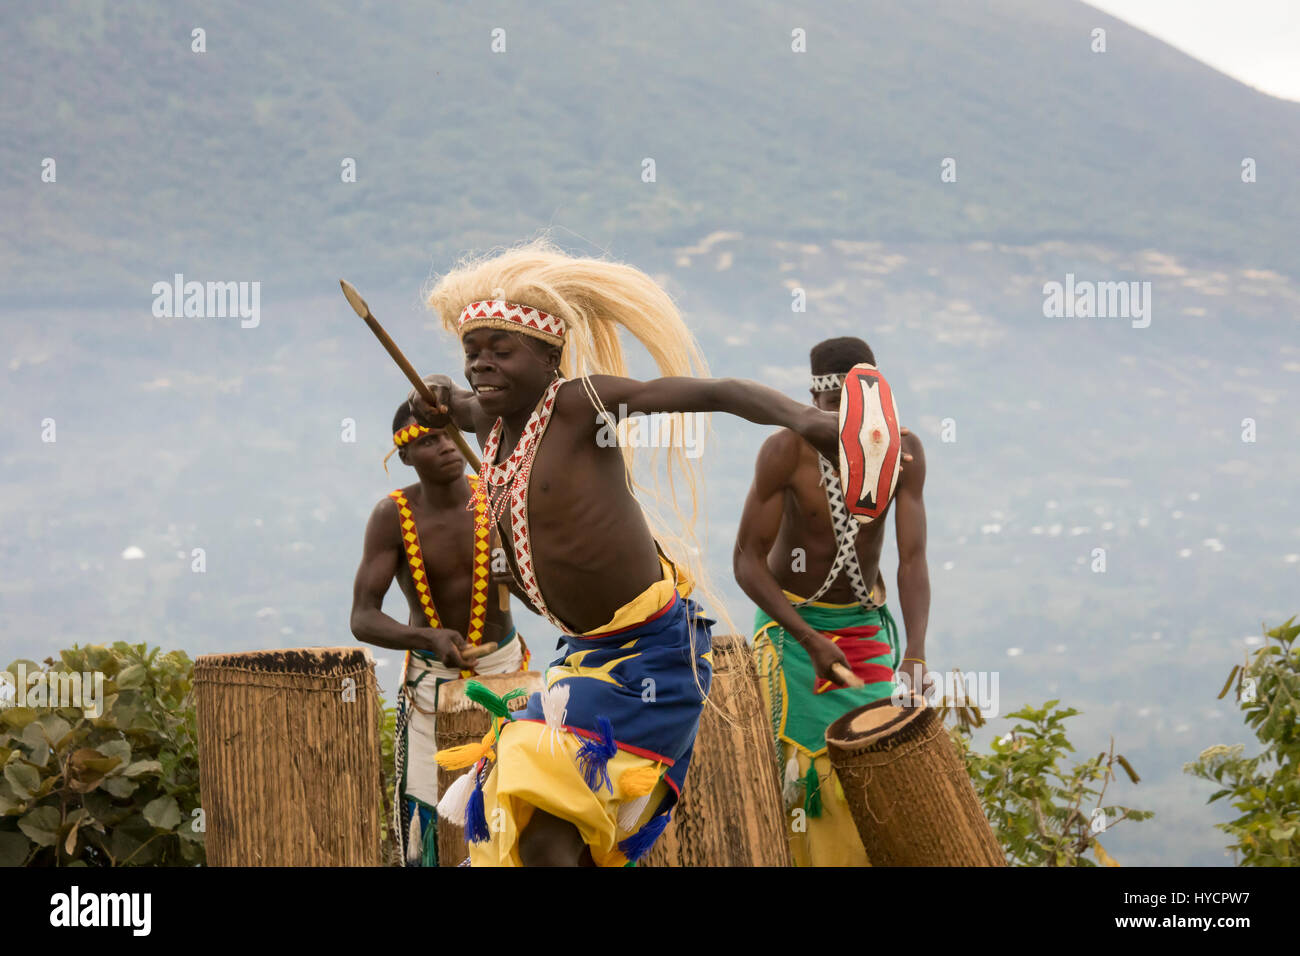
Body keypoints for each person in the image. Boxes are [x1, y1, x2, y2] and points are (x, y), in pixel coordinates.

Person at [408, 238, 851, 866]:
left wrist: (806, 421)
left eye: (501, 351)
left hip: (651, 654)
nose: (482, 365)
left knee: (540, 802)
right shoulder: (489, 422)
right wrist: (434, 391)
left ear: (547, 355)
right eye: (472, 352)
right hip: (585, 656)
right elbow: (441, 400)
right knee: (551, 831)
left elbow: (714, 392)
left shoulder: (580, 405)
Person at [733, 336, 929, 866]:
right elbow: (746, 560)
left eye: (855, 412)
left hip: (865, 627)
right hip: (793, 629)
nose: (840, 426)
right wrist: (808, 637)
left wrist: (915, 651)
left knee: (876, 762)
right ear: (814, 404)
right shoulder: (784, 451)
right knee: (808, 776)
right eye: (831, 412)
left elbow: (911, 560)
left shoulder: (902, 452)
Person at [350, 400, 529, 866]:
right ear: (405, 456)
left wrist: (520, 576)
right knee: (429, 813)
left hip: (506, 670)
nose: (447, 446)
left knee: (516, 797)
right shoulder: (393, 516)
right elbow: (363, 617)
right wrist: (429, 639)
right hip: (430, 683)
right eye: (428, 440)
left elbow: (546, 583)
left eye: (449, 433)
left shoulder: (496, 496)